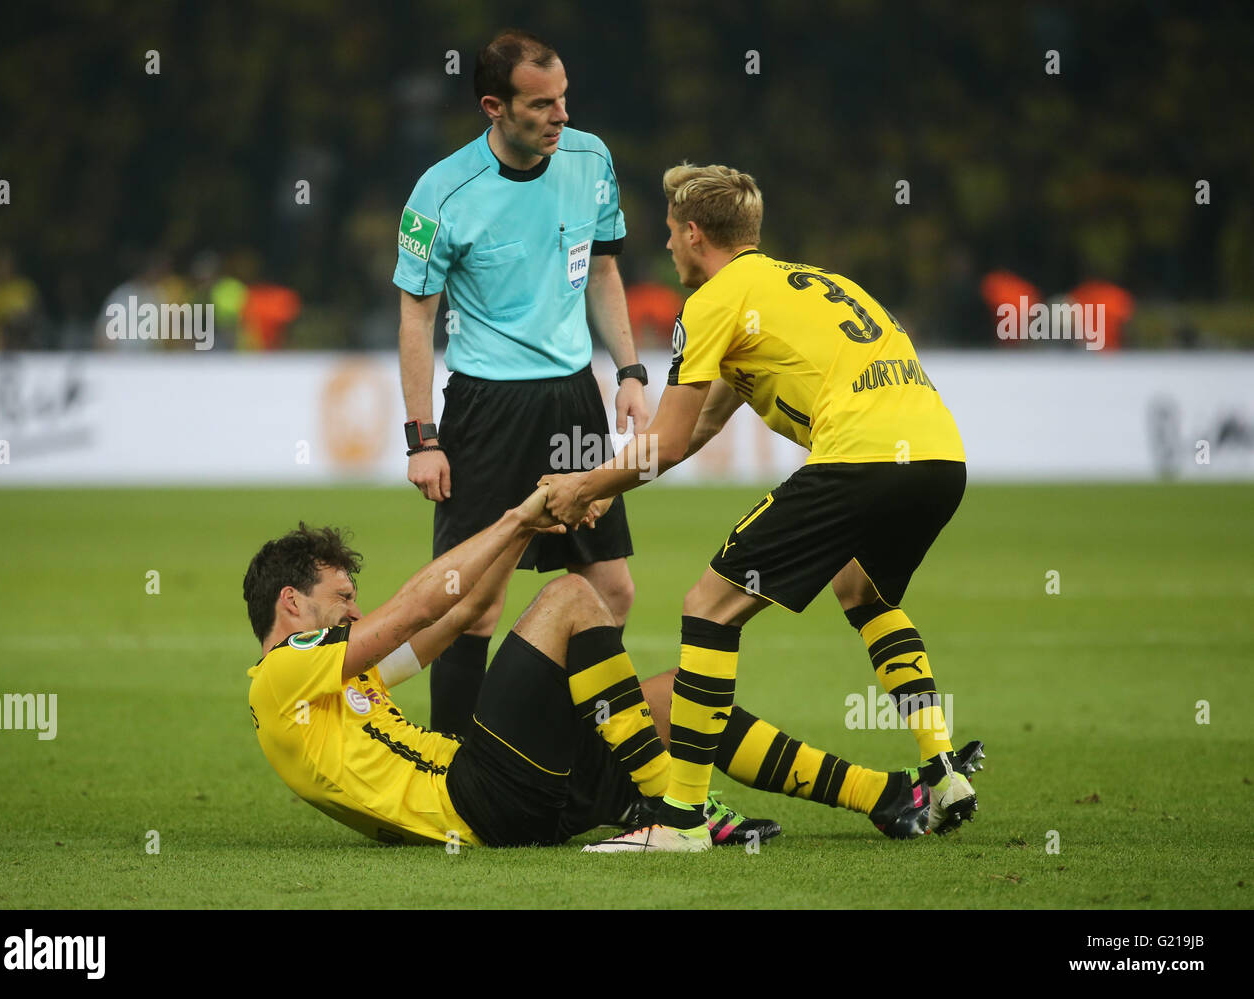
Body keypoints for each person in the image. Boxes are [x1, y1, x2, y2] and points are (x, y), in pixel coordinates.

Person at [542, 164, 984, 852]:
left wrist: (578, 487)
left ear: (694, 235)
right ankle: (942, 765)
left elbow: (667, 437)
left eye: (668, 233)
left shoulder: (716, 301)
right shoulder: (811, 284)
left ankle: (683, 820)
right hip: (940, 456)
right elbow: (706, 424)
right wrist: (601, 487)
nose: (665, 246)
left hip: (861, 457)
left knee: (708, 604)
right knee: (858, 585)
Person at [242, 488, 945, 849]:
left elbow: (454, 617)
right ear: (290, 602)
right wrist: (517, 517)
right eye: (341, 599)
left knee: (674, 696)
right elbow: (410, 610)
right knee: (573, 594)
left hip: (516, 801)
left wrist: (523, 538)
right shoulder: (283, 674)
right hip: (472, 796)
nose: (354, 613)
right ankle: (674, 811)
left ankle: (885, 797)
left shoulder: (330, 681)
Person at [393, 30, 648, 739]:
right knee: (474, 599)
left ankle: (559, 743)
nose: (561, 115)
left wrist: (628, 370)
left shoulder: (592, 159)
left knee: (612, 588)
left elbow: (602, 270)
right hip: (485, 408)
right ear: (493, 108)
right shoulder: (441, 192)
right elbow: (417, 319)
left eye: (564, 97)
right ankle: (451, 762)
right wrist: (423, 438)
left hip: (573, 399)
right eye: (541, 105)